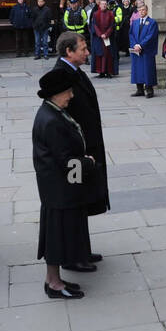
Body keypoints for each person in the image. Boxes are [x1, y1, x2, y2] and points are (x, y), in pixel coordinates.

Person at [33, 67, 100, 299]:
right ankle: (53, 283)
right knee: (57, 236)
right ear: (56, 93)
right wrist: (89, 163)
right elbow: (65, 161)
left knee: (62, 233)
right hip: (59, 190)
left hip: (63, 187)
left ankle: (56, 280)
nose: (71, 95)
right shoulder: (51, 120)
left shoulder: (55, 111)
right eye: (68, 91)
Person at [54, 32, 109, 267]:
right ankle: (72, 256)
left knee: (82, 200)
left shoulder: (75, 71)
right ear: (69, 51)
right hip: (75, 155)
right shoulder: (60, 75)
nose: (87, 52)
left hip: (86, 149)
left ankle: (82, 250)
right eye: (83, 49)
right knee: (74, 199)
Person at [128, 2, 158, 98]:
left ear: (147, 10)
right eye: (140, 10)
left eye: (143, 10)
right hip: (136, 51)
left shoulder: (152, 22)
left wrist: (140, 45)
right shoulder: (135, 22)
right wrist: (135, 45)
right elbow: (131, 34)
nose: (141, 12)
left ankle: (149, 90)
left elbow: (150, 36)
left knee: (148, 70)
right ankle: (139, 89)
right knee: (137, 70)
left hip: (147, 50)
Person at [90, 0, 118, 78]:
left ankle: (108, 71)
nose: (104, 5)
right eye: (102, 4)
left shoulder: (111, 14)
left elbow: (112, 25)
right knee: (99, 54)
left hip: (108, 38)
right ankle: (101, 72)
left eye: (105, 4)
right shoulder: (95, 14)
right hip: (99, 38)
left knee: (108, 54)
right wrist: (100, 34)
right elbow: (94, 26)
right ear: (99, 5)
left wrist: (106, 34)